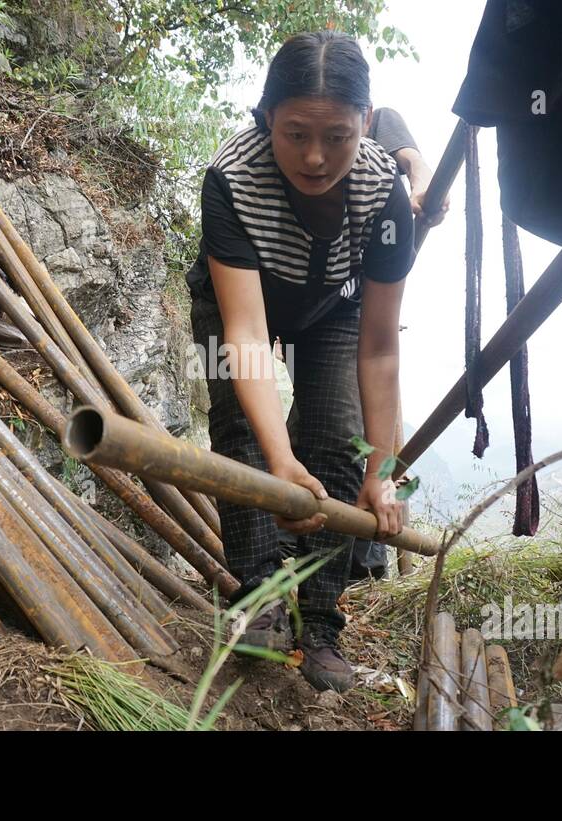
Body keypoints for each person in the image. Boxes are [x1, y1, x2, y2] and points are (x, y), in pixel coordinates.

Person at [186, 31, 427, 693]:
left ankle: (320, 624)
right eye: (295, 133)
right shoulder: (231, 179)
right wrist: (276, 457)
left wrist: (386, 470)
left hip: (334, 313)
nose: (316, 156)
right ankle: (261, 598)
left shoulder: (383, 196)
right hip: (240, 309)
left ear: (367, 124)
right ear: (268, 118)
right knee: (242, 431)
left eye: (338, 136)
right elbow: (247, 334)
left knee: (338, 442)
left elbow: (379, 348)